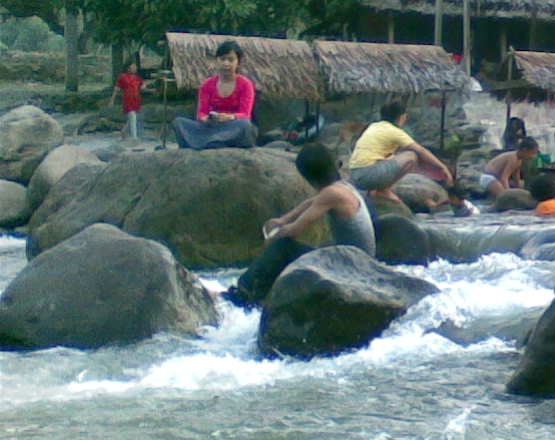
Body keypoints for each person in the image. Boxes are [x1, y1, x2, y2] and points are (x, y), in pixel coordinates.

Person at [224, 142, 376, 307]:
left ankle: (242, 295)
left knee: (283, 247)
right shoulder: (343, 186)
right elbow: (311, 202)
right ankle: (258, 297)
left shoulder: (331, 193)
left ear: (308, 177)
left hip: (351, 268)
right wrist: (283, 220)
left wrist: (273, 237)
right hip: (357, 262)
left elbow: (294, 231)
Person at [347, 99, 473, 214]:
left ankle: (380, 190)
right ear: (402, 117)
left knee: (394, 157)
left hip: (356, 175)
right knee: (411, 156)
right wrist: (442, 167)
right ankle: (383, 190)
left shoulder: (375, 126)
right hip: (368, 174)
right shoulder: (394, 131)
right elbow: (420, 150)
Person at [172, 39, 258, 149]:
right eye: (222, 59)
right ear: (217, 61)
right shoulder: (207, 85)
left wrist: (229, 117)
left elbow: (245, 114)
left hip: (233, 126)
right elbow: (201, 113)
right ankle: (214, 142)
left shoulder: (245, 84)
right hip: (212, 126)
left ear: (238, 63)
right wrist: (208, 119)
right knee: (179, 123)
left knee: (245, 125)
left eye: (230, 60)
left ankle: (209, 142)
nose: (226, 63)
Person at [112, 60, 148, 140]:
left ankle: (123, 134)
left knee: (131, 119)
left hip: (136, 101)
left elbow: (142, 88)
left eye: (135, 67)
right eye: (133, 67)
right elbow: (116, 89)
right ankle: (134, 137)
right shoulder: (123, 77)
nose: (135, 68)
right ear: (128, 68)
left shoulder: (138, 78)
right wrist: (112, 100)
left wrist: (150, 88)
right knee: (132, 117)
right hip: (128, 101)